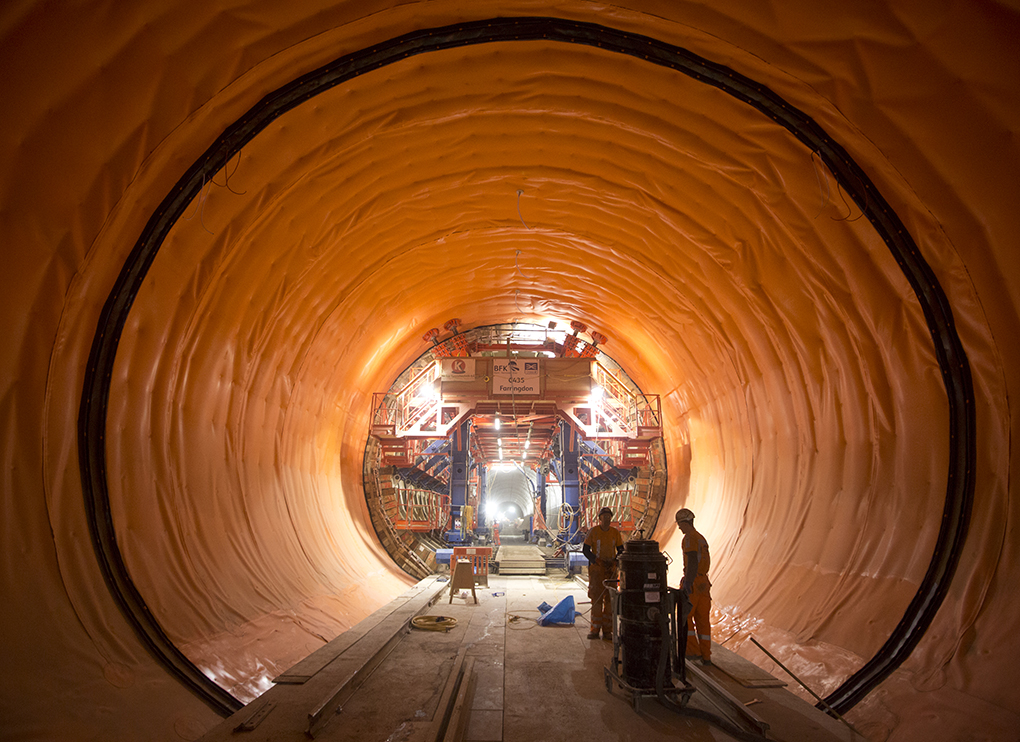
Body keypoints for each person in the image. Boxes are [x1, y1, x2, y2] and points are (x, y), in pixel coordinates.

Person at [676, 508, 712, 665]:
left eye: (679, 524)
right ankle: (706, 655)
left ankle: (691, 652)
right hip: (704, 582)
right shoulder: (701, 538)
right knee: (703, 619)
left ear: (685, 523)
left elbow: (691, 560)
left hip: (694, 582)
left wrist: (688, 583)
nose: (679, 528)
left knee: (686, 616)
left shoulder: (689, 538)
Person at [582, 507, 624, 640]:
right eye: (604, 517)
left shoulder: (615, 533)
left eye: (608, 517)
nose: (606, 520)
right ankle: (595, 629)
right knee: (596, 599)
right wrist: (596, 560)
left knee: (610, 600)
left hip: (610, 571)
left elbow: (621, 549)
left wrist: (615, 561)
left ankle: (607, 631)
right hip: (597, 571)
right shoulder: (593, 532)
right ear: (599, 519)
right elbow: (586, 550)